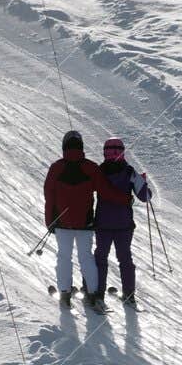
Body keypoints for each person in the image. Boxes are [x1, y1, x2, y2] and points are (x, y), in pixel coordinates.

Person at [43, 130, 130, 308]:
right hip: (85, 223)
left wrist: (49, 221)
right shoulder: (90, 167)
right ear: (81, 146)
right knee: (86, 258)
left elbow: (49, 196)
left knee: (63, 257)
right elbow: (106, 192)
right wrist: (125, 199)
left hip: (61, 223)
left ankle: (65, 293)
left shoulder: (56, 167)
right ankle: (92, 294)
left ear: (64, 146)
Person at [93, 137, 154, 304]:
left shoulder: (99, 171)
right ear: (122, 152)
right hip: (124, 224)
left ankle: (98, 294)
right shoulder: (129, 172)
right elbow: (145, 197)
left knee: (100, 257)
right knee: (125, 258)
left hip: (103, 223)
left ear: (105, 152)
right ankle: (129, 295)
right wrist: (143, 183)